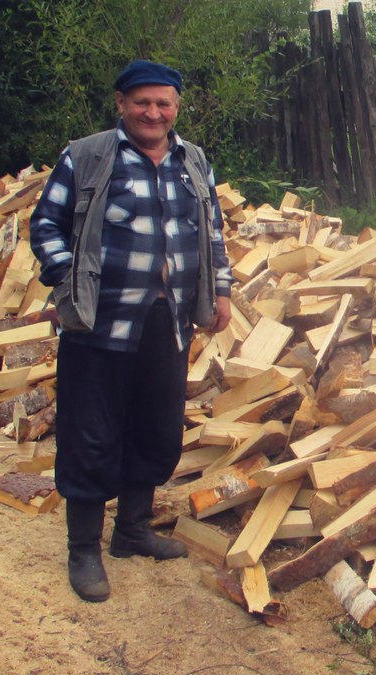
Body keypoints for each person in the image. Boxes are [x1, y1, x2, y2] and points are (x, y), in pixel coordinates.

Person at [30, 60, 233, 602]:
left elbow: (212, 230)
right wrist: (66, 278)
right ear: (121, 103)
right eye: (142, 102)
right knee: (91, 432)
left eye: (163, 103)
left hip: (165, 322)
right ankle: (84, 551)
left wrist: (222, 291)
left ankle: (133, 531)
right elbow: (45, 224)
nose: (153, 112)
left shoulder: (192, 161)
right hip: (98, 321)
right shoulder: (88, 155)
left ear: (176, 108)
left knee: (156, 426)